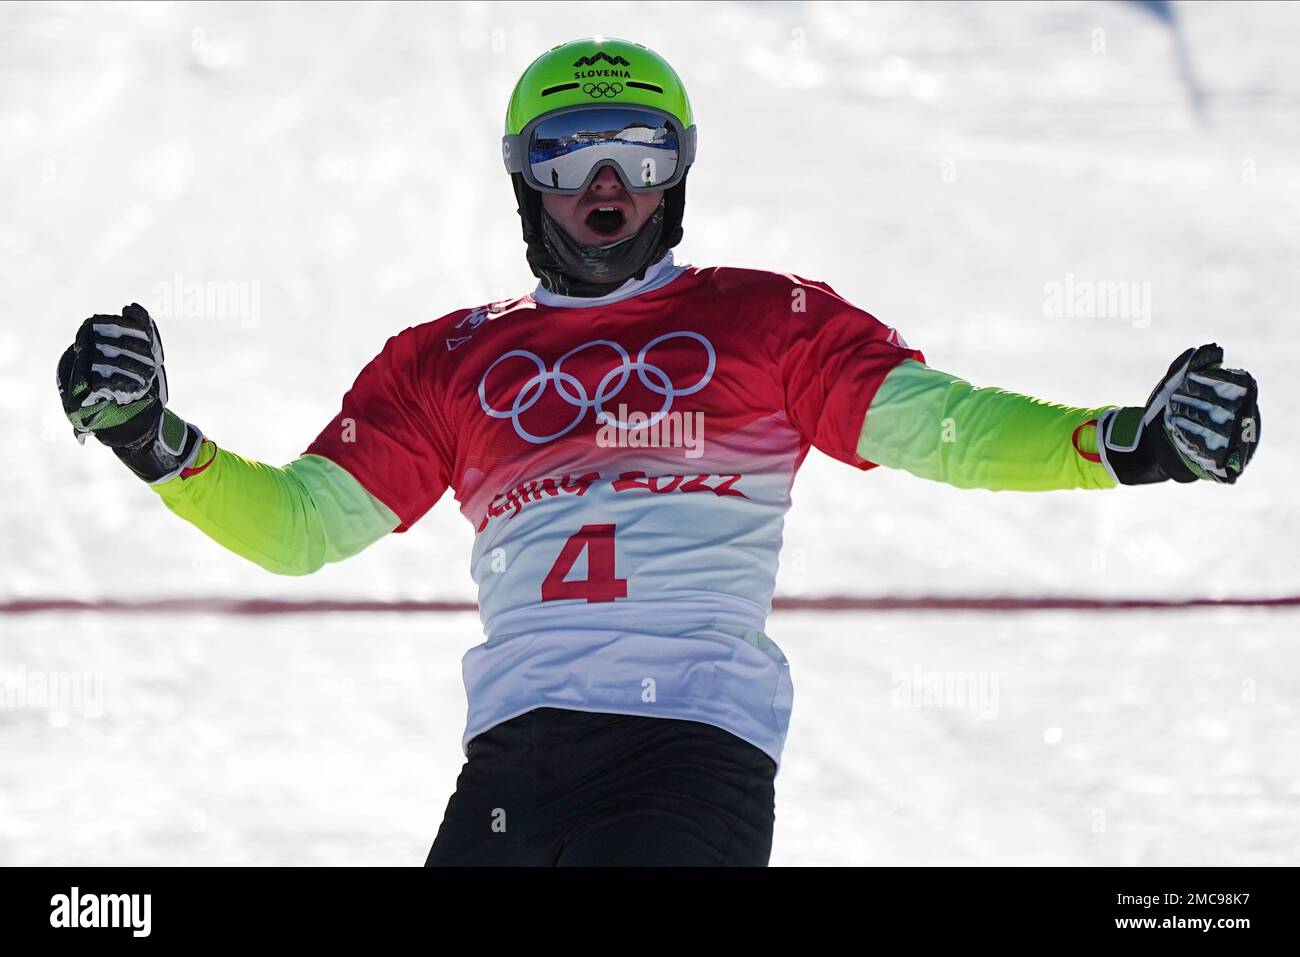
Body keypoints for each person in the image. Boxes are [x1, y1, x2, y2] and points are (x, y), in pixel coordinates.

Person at [57, 37, 1261, 866]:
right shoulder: (448, 361)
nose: (602, 184)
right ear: (525, 181)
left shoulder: (764, 320)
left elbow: (943, 429)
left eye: (634, 153)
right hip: (515, 759)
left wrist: (1123, 443)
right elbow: (300, 524)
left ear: (677, 173)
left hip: (690, 749)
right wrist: (151, 441)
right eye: (570, 153)